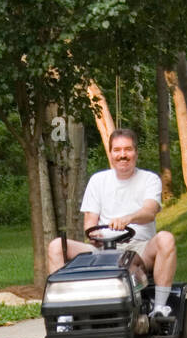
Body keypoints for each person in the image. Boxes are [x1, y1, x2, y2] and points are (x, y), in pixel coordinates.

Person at [46, 128, 179, 318]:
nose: (122, 155)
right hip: (103, 251)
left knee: (166, 238)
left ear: (135, 153)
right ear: (111, 153)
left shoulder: (150, 179)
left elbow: (150, 211)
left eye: (128, 149)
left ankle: (159, 308)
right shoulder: (98, 181)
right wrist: (95, 237)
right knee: (56, 246)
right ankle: (64, 312)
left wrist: (128, 219)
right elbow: (89, 224)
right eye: (117, 150)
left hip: (138, 249)